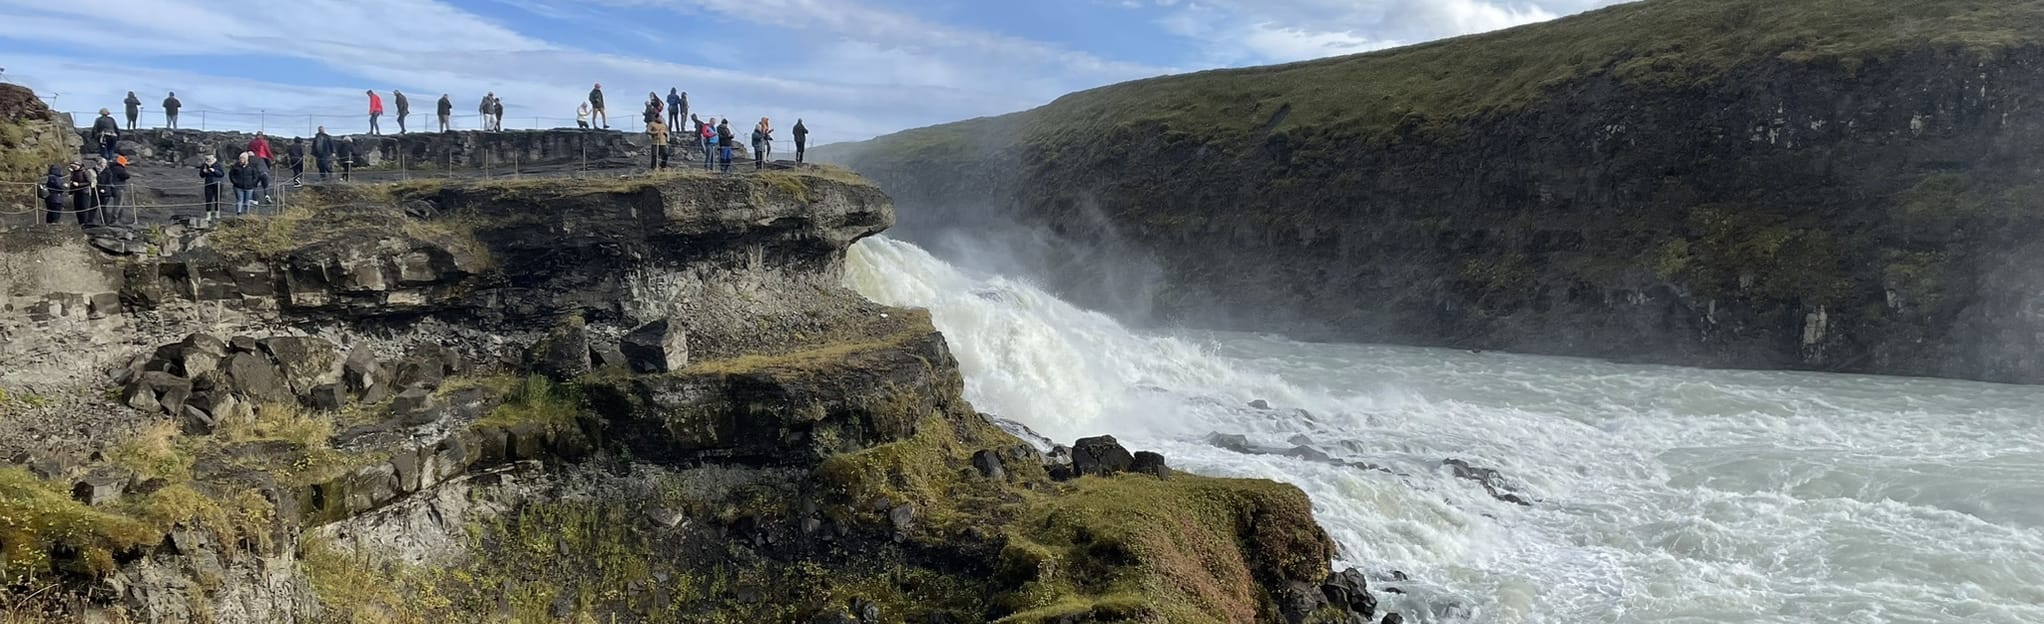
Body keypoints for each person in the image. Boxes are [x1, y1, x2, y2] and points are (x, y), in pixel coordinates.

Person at [68, 161, 99, 226]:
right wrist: (70, 192)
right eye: (73, 167)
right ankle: (80, 222)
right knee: (77, 207)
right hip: (76, 192)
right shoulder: (73, 173)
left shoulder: (85, 172)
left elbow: (89, 182)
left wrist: (79, 184)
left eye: (75, 166)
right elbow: (72, 184)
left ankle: (85, 222)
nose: (74, 168)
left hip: (84, 192)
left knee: (84, 207)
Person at [101, 156, 130, 223]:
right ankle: (115, 219)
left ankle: (106, 219)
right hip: (119, 187)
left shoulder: (111, 167)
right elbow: (126, 176)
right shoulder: (120, 169)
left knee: (111, 203)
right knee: (118, 204)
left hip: (110, 186)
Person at [247, 132, 273, 200]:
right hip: (262, 160)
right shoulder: (263, 142)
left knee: (254, 184)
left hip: (252, 161)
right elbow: (267, 151)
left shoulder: (251, 142)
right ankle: (266, 195)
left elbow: (248, 150)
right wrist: (272, 158)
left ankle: (254, 199)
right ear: (262, 136)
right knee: (265, 183)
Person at [198, 154, 224, 222]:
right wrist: (204, 172)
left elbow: (221, 174)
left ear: (213, 158)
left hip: (217, 184)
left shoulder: (218, 164)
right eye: (207, 159)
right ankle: (208, 216)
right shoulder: (204, 165)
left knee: (217, 200)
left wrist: (214, 171)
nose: (209, 161)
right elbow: (201, 175)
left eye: (210, 159)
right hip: (208, 184)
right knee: (208, 200)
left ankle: (217, 215)